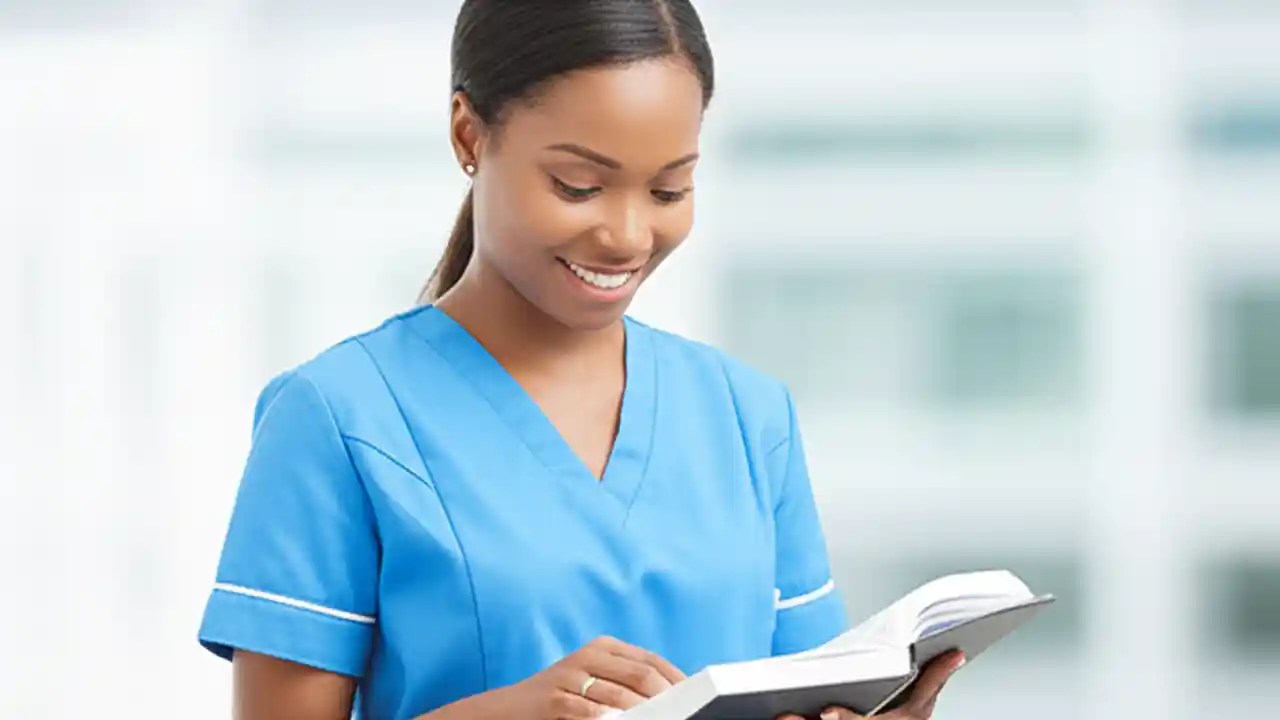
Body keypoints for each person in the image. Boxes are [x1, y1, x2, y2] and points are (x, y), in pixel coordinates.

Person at [197, 1, 964, 719]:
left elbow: (804, 696)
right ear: (470, 135)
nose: (628, 236)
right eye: (579, 185)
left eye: (670, 190)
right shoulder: (338, 417)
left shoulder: (746, 415)